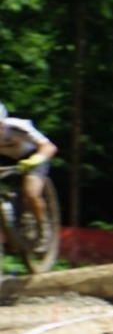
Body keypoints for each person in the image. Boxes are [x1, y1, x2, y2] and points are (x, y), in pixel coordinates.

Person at [0, 103, 58, 247]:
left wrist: (35, 160)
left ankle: (44, 229)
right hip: (6, 159)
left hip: (33, 156)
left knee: (31, 192)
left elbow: (49, 147)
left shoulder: (17, 127)